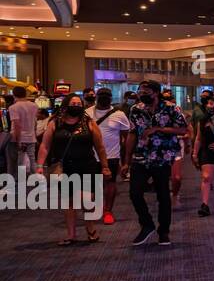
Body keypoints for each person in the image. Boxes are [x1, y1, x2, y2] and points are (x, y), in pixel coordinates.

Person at [121, 80, 189, 247]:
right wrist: (126, 161)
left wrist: (159, 129)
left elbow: (183, 129)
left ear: (156, 93)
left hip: (162, 157)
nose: (142, 95)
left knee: (163, 195)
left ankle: (163, 232)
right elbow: (132, 134)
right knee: (135, 193)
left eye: (146, 92)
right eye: (140, 92)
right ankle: (147, 225)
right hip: (141, 156)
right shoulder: (136, 110)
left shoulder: (171, 108)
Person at [34, 95, 110, 245]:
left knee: (87, 199)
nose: (76, 105)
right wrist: (39, 166)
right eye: (73, 103)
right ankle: (71, 235)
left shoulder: (89, 123)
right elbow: (45, 146)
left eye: (78, 103)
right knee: (68, 202)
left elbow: (100, 147)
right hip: (65, 167)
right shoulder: (55, 123)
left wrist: (105, 166)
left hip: (87, 166)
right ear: (65, 105)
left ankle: (90, 227)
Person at [90, 87, 131, 225]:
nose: (104, 98)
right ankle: (96, 208)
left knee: (110, 183)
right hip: (90, 156)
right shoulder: (87, 113)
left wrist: (126, 162)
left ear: (111, 98)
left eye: (106, 96)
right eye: (101, 95)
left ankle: (108, 211)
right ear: (96, 97)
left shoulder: (119, 114)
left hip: (111, 156)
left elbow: (127, 139)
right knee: (91, 186)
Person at [6, 85, 38, 179]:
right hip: (31, 138)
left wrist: (18, 141)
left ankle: (13, 180)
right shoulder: (34, 106)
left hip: (15, 138)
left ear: (14, 95)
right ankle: (34, 179)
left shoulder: (13, 107)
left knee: (13, 161)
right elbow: (35, 123)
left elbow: (17, 125)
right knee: (32, 160)